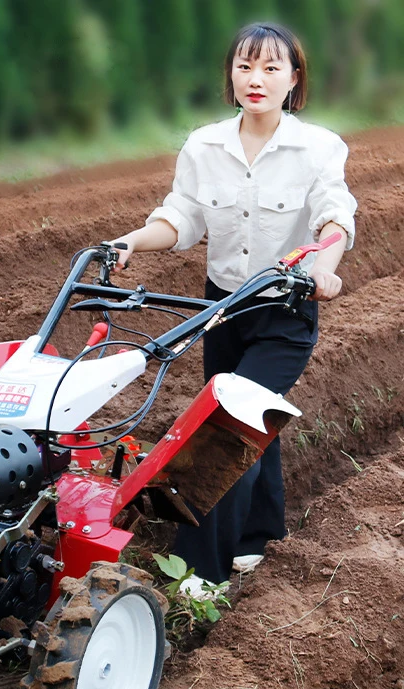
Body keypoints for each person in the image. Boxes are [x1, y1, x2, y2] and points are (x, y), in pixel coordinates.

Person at [109, 22, 356, 598]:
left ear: (294, 80)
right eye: (246, 66)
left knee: (226, 429)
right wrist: (131, 242)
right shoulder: (204, 146)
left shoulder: (318, 147)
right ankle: (260, 533)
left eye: (272, 68)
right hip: (223, 308)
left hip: (286, 312)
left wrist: (323, 265)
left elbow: (334, 214)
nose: (256, 79)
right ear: (230, 74)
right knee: (252, 419)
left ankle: (199, 574)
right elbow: (183, 218)